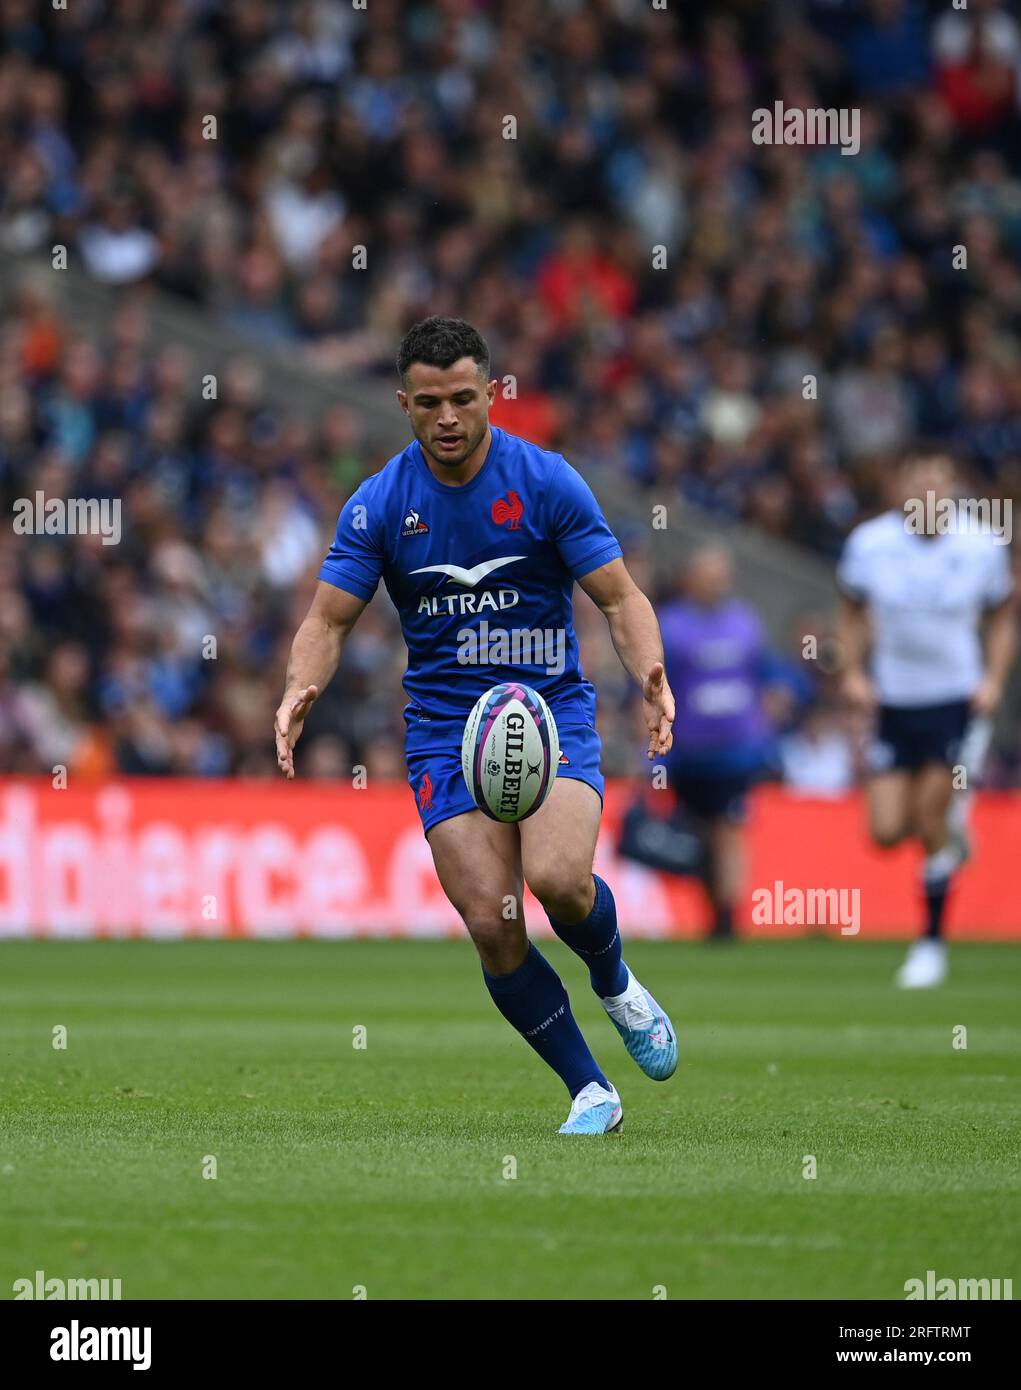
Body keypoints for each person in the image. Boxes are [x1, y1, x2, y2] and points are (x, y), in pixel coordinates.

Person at [275, 317, 678, 1133]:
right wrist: (297, 689)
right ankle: (589, 1090)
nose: (449, 416)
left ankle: (613, 980)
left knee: (560, 882)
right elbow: (327, 621)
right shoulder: (381, 503)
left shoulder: (546, 481)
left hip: (549, 710)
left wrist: (650, 675)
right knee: (493, 923)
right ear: (404, 404)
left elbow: (619, 598)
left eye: (463, 397)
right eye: (429, 403)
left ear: (490, 393)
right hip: (441, 727)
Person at [836, 448, 1015, 987]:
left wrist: (993, 680)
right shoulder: (870, 545)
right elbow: (849, 610)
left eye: (939, 481)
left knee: (930, 816)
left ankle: (931, 944)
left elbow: (1004, 614)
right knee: (887, 830)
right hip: (895, 700)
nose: (929, 492)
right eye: (918, 481)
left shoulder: (982, 545)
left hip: (954, 701)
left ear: (953, 487)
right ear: (900, 487)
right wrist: (852, 672)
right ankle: (952, 841)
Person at [657, 545, 778, 940]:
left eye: (722, 574)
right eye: (710, 573)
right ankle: (715, 910)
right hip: (690, 750)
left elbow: (767, 675)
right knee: (700, 835)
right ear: (691, 578)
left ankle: (727, 916)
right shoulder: (671, 625)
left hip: (736, 750)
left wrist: (765, 723)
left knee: (729, 828)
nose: (717, 581)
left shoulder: (745, 623)